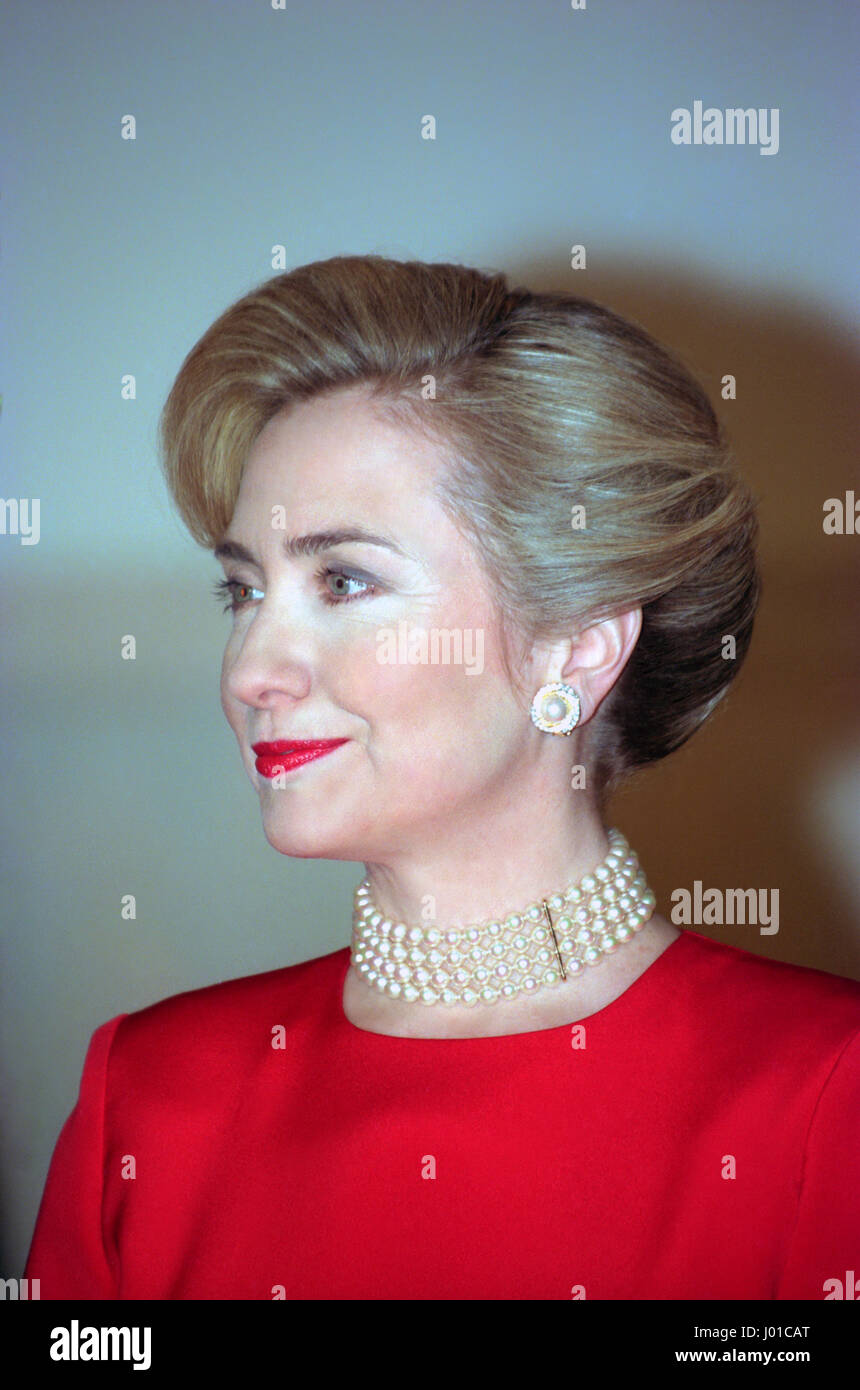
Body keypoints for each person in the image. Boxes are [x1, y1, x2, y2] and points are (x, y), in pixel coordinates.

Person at [24, 255, 860, 1300]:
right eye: (240, 591)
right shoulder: (146, 1094)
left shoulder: (824, 1094)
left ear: (574, 648)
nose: (249, 672)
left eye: (344, 580)